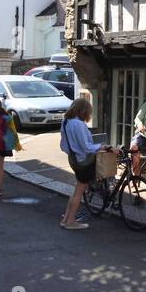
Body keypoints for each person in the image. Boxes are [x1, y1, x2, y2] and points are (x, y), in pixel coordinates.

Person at [60, 96, 112, 230]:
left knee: (76, 190)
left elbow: (64, 145)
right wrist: (102, 146)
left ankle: (66, 219)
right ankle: (71, 221)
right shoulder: (79, 124)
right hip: (83, 161)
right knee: (79, 191)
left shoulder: (66, 121)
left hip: (73, 159)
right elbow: (86, 146)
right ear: (84, 111)